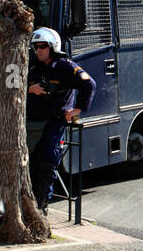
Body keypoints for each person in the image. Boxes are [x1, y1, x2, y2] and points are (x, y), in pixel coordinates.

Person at [26, 28, 95, 214]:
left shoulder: (65, 66)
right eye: (36, 46)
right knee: (30, 163)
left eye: (43, 46)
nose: (38, 50)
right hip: (32, 123)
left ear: (53, 47)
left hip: (54, 121)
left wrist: (76, 110)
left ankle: (42, 205)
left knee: (46, 160)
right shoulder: (32, 66)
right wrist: (30, 89)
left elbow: (89, 84)